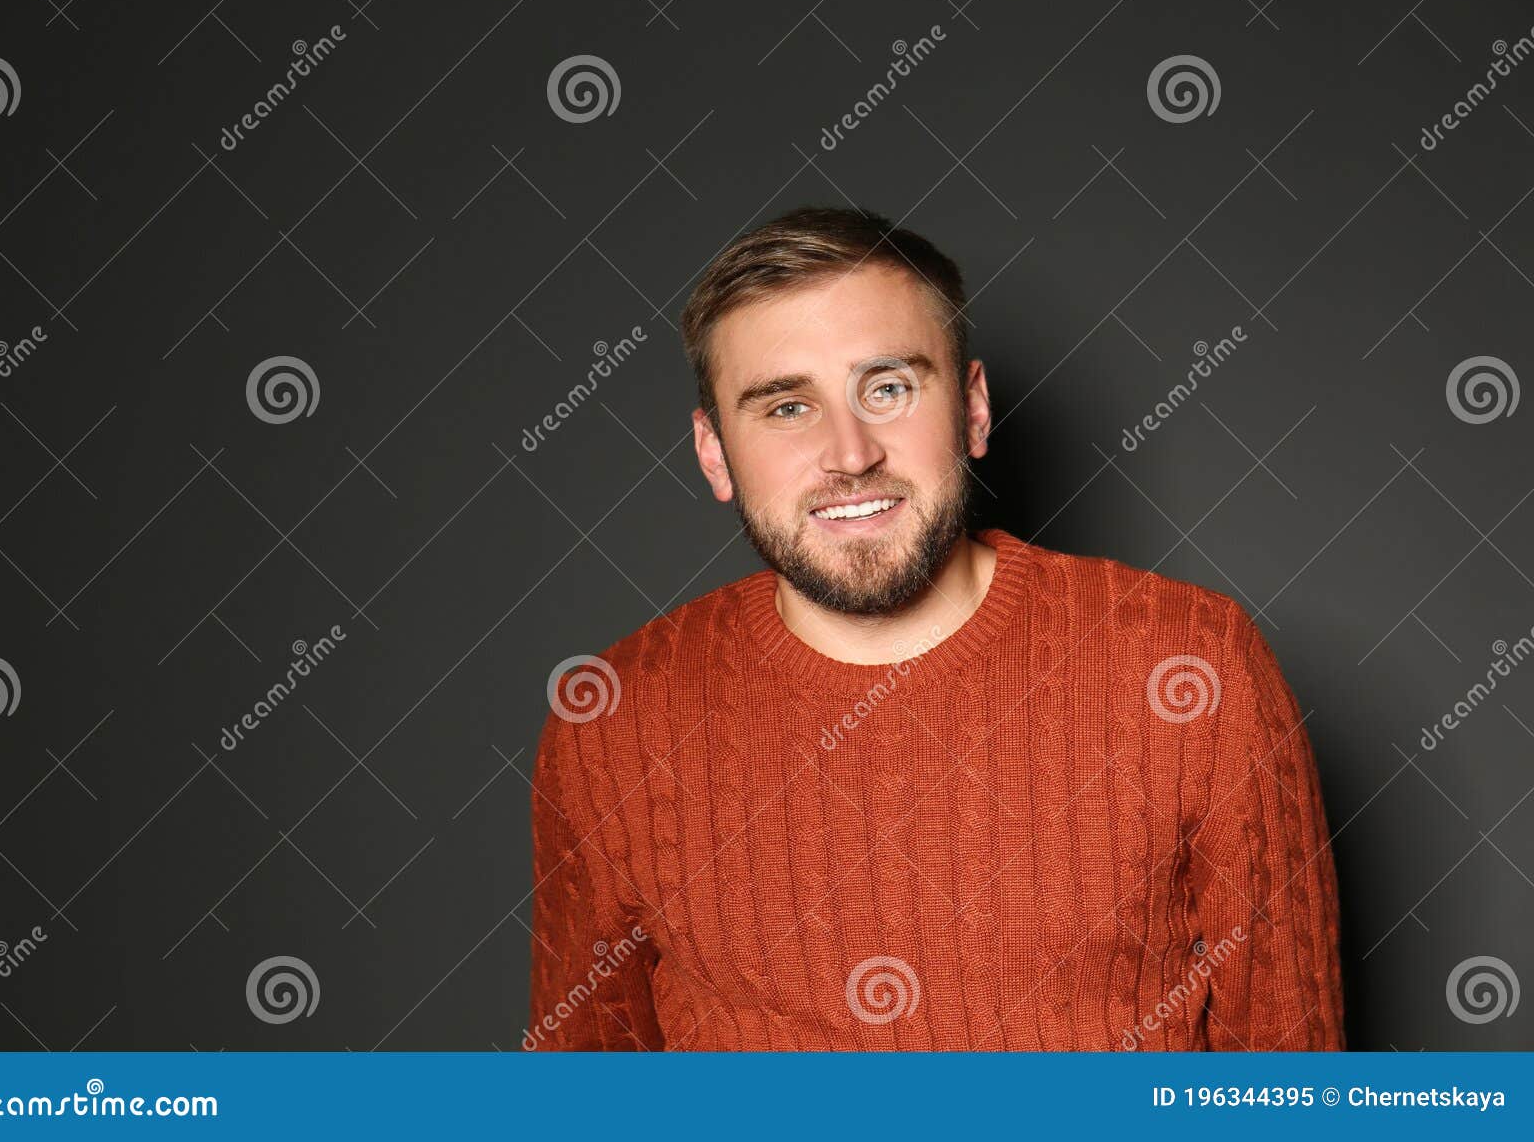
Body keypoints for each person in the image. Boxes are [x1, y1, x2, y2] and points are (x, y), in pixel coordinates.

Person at [524, 205, 1344, 1050]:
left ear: (974, 409)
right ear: (712, 453)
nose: (850, 452)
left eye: (889, 388)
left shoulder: (1189, 665)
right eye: (785, 408)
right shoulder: (614, 721)